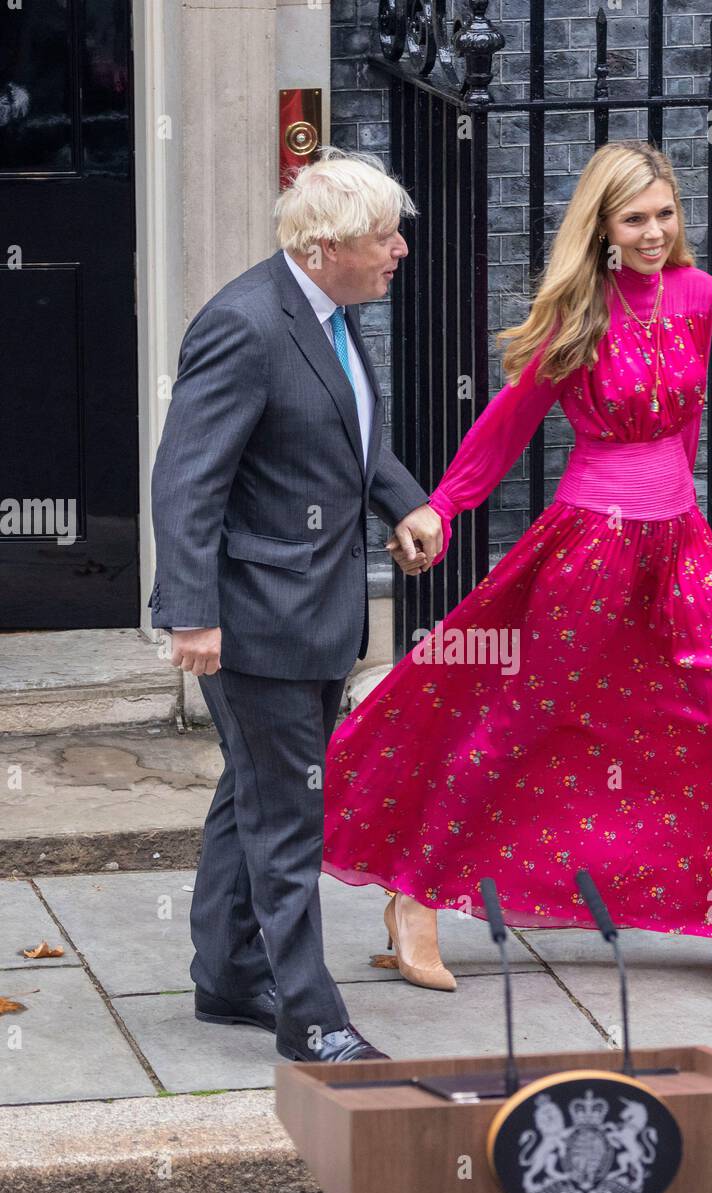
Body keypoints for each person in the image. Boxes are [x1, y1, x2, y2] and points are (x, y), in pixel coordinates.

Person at [322, 139, 712, 1009]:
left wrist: (685, 525)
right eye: (635, 218)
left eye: (665, 214)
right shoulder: (577, 315)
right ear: (601, 228)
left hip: (678, 544)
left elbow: (687, 425)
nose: (655, 232)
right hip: (592, 544)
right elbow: (506, 425)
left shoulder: (700, 296)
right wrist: (443, 507)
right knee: (519, 720)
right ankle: (416, 893)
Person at [148, 148, 443, 1063]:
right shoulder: (244, 324)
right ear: (322, 247)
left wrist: (404, 497)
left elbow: (342, 431)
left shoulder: (329, 313)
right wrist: (190, 612)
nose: (399, 249)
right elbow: (186, 480)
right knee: (289, 822)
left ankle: (230, 974)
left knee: (254, 795)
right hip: (260, 620)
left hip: (315, 611)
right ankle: (310, 1018)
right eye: (382, 236)